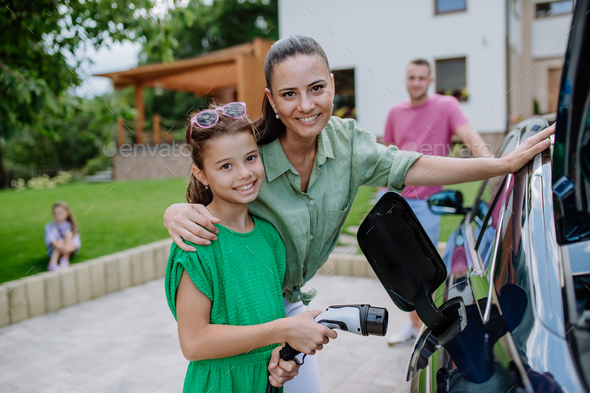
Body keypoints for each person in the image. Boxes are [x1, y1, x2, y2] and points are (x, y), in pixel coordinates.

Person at [163, 36, 554, 392]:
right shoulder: (253, 152)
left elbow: (414, 165)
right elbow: (216, 170)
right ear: (271, 98)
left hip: (285, 309)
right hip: (243, 312)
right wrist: (175, 211)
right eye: (288, 94)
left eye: (316, 88)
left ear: (332, 84)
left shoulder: (349, 145)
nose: (305, 105)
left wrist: (498, 166)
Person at [164, 103, 335, 393]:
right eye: (226, 166)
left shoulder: (269, 237)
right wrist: (285, 329)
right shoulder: (197, 241)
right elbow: (193, 343)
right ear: (201, 173)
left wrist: (285, 358)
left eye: (251, 158)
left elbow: (266, 330)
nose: (244, 173)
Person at [381, 58, 492, 347]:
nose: (416, 82)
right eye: (411, 77)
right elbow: (386, 157)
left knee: (424, 274)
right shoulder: (395, 112)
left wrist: (493, 163)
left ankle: (423, 330)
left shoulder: (446, 106)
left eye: (421, 78)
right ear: (406, 80)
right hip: (397, 203)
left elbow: (470, 137)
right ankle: (412, 326)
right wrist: (382, 197)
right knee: (403, 272)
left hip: (429, 204)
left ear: (430, 80)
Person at [44, 201, 81, 271]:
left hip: (69, 250)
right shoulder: (49, 226)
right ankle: (53, 264)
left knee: (68, 234)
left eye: (60, 212)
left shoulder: (71, 226)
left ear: (67, 213)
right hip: (54, 251)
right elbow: (50, 240)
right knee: (60, 241)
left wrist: (67, 248)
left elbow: (76, 243)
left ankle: (64, 259)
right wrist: (61, 246)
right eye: (55, 213)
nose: (58, 215)